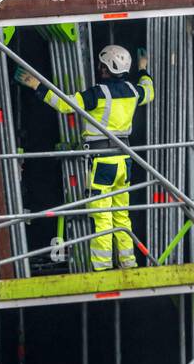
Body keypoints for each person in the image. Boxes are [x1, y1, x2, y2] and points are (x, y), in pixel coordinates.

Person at [15, 43, 154, 272]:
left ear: (107, 67)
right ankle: (129, 264)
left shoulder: (97, 94)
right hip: (124, 162)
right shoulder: (133, 91)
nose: (99, 69)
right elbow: (149, 90)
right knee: (122, 216)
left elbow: (63, 104)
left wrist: (36, 85)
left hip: (102, 162)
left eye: (102, 65)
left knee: (102, 216)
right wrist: (143, 68)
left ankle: (102, 268)